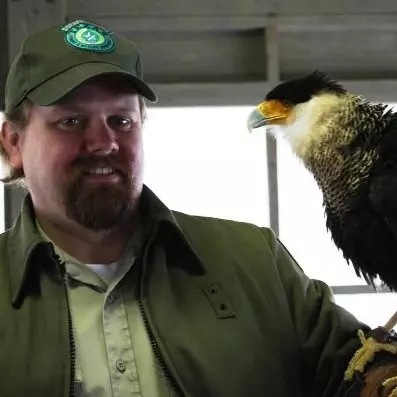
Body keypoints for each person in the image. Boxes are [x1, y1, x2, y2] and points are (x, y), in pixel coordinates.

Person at [0, 19, 396, 397]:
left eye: (121, 120)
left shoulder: (256, 261)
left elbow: (356, 366)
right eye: (71, 121)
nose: (103, 142)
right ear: (13, 143)